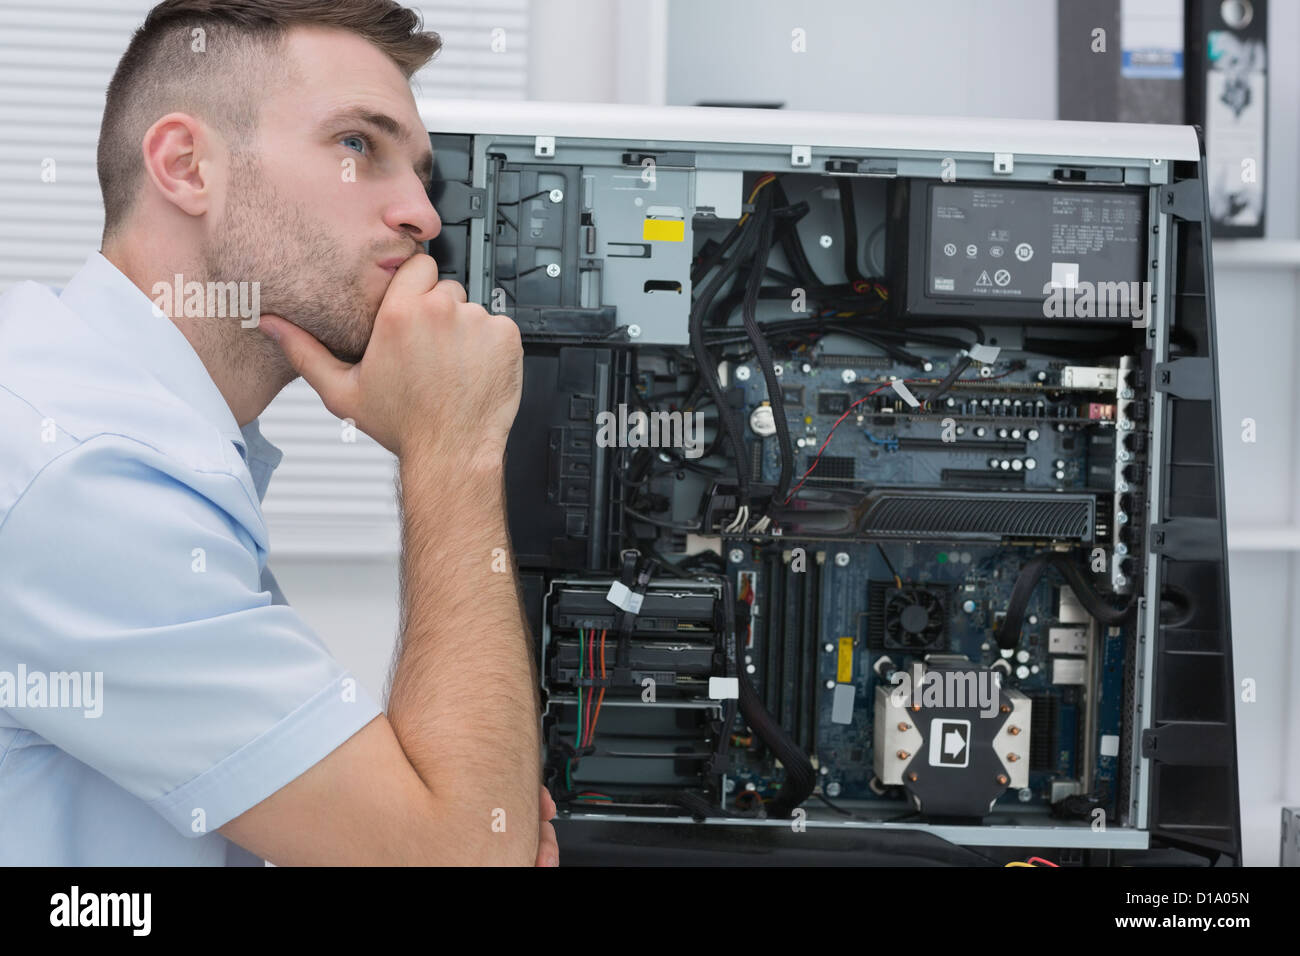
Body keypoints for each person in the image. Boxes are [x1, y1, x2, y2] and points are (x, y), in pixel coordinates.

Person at [0, 0, 555, 866]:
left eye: (421, 173)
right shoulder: (79, 477)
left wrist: (446, 809)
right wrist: (453, 448)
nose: (422, 215)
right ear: (187, 167)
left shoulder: (120, 427)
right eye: (357, 146)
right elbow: (468, 857)